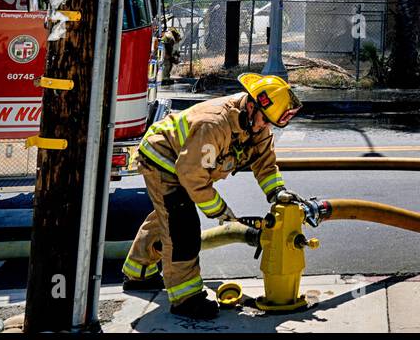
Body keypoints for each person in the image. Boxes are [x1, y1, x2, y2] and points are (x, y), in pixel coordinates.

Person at [121, 73, 303, 320]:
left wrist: (277, 192)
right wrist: (220, 211)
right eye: (264, 121)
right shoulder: (215, 124)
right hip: (163, 159)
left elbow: (266, 165)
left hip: (185, 163)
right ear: (251, 106)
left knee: (167, 215)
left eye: (270, 124)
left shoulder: (255, 124)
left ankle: (138, 272)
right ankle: (186, 299)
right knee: (181, 227)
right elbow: (193, 175)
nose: (265, 127)